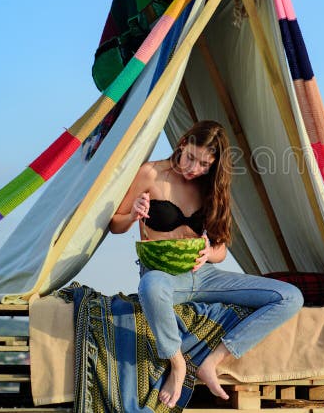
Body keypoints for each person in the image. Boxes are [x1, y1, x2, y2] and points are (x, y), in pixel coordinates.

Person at [110, 120, 303, 408]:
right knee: (149, 285)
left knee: (290, 297)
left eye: (204, 164)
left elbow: (221, 249)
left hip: (205, 275)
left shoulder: (208, 186)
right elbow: (116, 224)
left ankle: (212, 362)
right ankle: (177, 363)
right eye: (191, 158)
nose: (193, 169)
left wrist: (208, 252)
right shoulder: (151, 173)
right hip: (163, 275)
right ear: (183, 142)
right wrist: (133, 214)